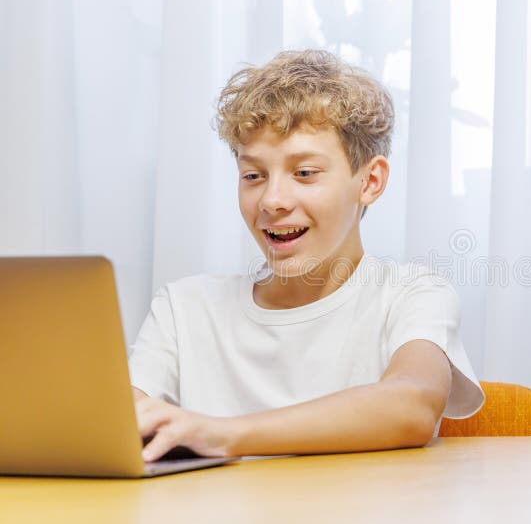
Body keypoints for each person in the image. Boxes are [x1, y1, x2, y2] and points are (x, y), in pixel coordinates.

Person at [129, 49, 484, 462]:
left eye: (304, 173)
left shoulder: (411, 295)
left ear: (370, 181)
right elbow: (116, 424)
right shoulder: (183, 308)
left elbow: (412, 405)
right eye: (253, 176)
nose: (272, 200)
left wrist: (222, 434)